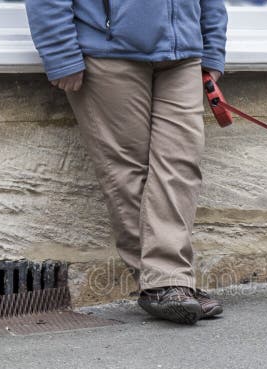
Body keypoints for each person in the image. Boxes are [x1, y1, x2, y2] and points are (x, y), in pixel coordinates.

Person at [24, 0, 228, 324]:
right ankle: (167, 282)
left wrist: (213, 48)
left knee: (181, 166)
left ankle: (168, 281)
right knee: (128, 171)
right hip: (109, 52)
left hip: (184, 53)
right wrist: (60, 51)